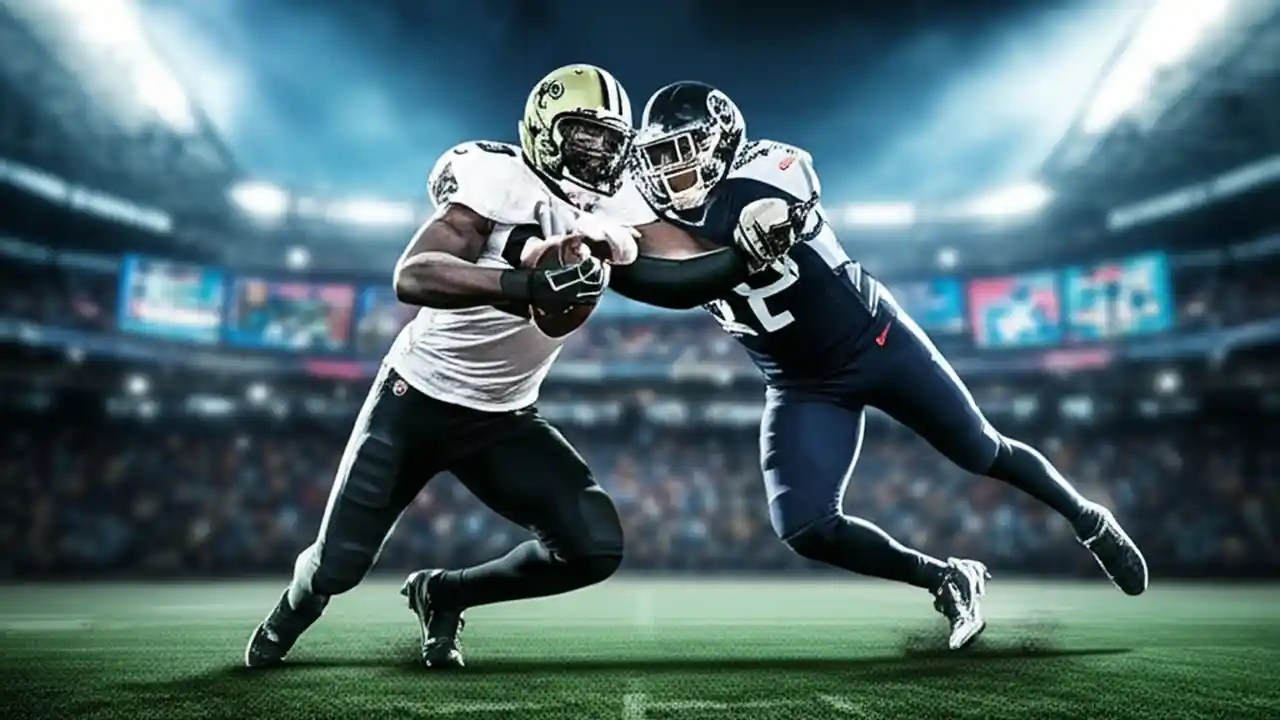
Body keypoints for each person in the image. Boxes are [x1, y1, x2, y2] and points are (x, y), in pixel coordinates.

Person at [610, 81, 1148, 650]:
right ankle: (946, 579)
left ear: (721, 140)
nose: (670, 169)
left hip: (877, 341)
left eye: (682, 149)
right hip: (800, 384)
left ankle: (1088, 519)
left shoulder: (764, 169)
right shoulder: (654, 213)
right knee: (805, 526)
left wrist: (764, 223)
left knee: (980, 449)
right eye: (658, 155)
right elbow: (646, 256)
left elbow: (795, 174)